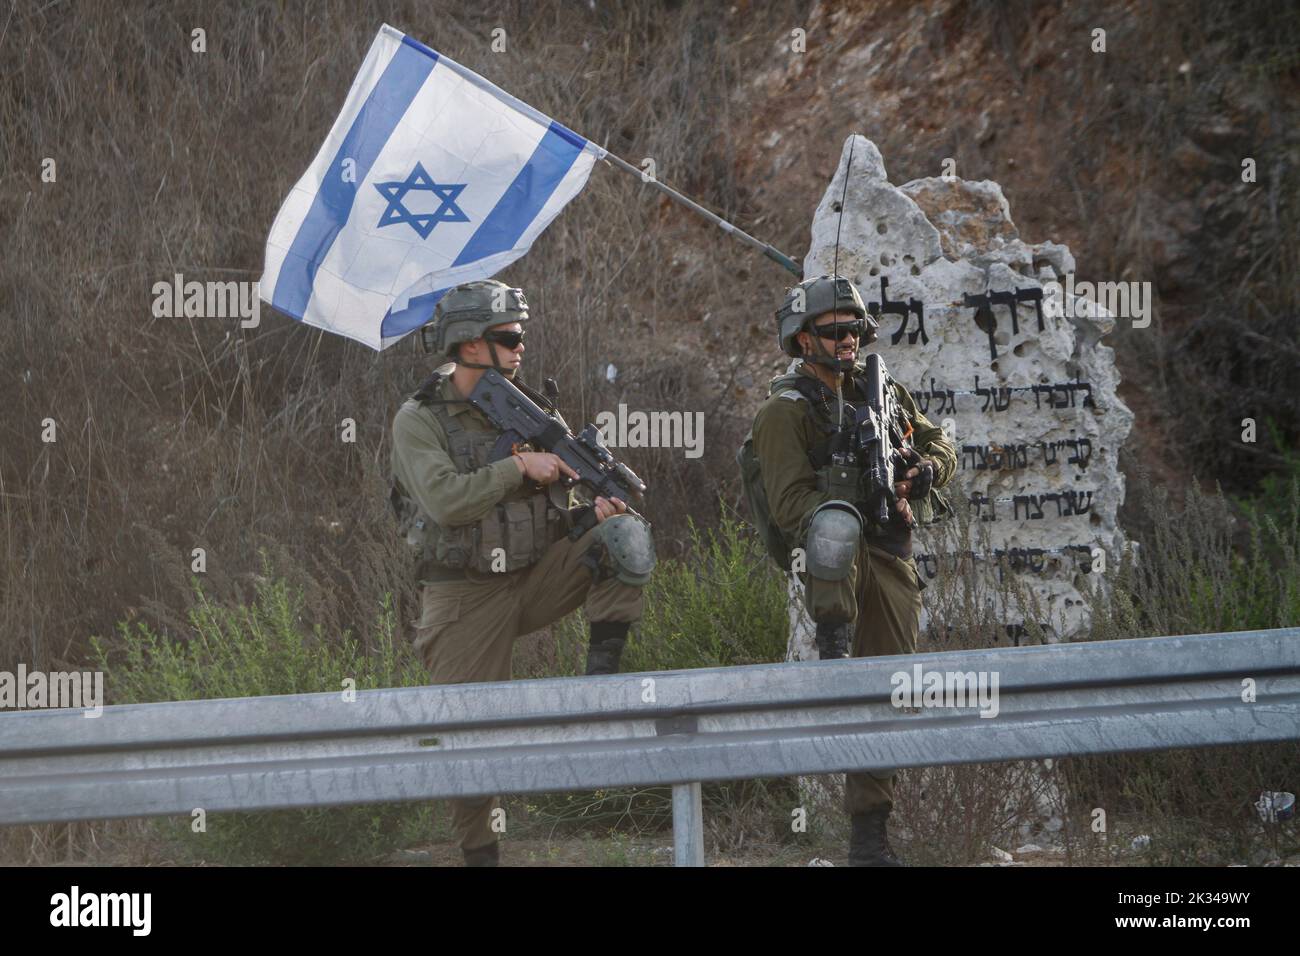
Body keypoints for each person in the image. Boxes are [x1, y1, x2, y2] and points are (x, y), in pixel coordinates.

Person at [390, 279, 655, 867]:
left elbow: (552, 516)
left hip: (533, 578)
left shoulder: (532, 412)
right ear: (468, 345)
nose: (519, 348)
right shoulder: (419, 420)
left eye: (520, 338)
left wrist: (592, 513)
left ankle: (598, 687)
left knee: (623, 538)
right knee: (468, 738)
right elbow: (446, 502)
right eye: (507, 337)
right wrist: (520, 468)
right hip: (463, 597)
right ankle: (480, 853)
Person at [748, 274, 956, 866]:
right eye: (835, 331)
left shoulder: (883, 392)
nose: (849, 342)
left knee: (889, 693)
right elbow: (789, 508)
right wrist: (845, 503)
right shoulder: (785, 413)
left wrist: (923, 472)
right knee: (834, 524)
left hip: (891, 554)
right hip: (835, 556)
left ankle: (870, 839)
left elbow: (943, 444)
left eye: (856, 331)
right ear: (803, 340)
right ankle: (832, 647)